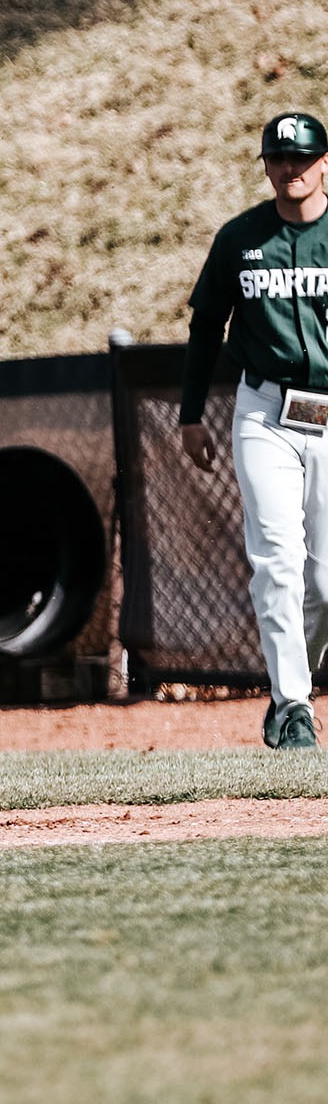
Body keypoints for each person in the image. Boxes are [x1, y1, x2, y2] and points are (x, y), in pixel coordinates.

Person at [180, 110, 328, 750]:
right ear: (266, 166)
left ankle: (296, 677)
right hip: (264, 414)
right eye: (278, 158)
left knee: (324, 582)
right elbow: (205, 327)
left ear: (325, 163)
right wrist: (190, 413)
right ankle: (292, 704)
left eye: (301, 157)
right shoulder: (242, 238)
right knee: (278, 561)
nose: (289, 169)